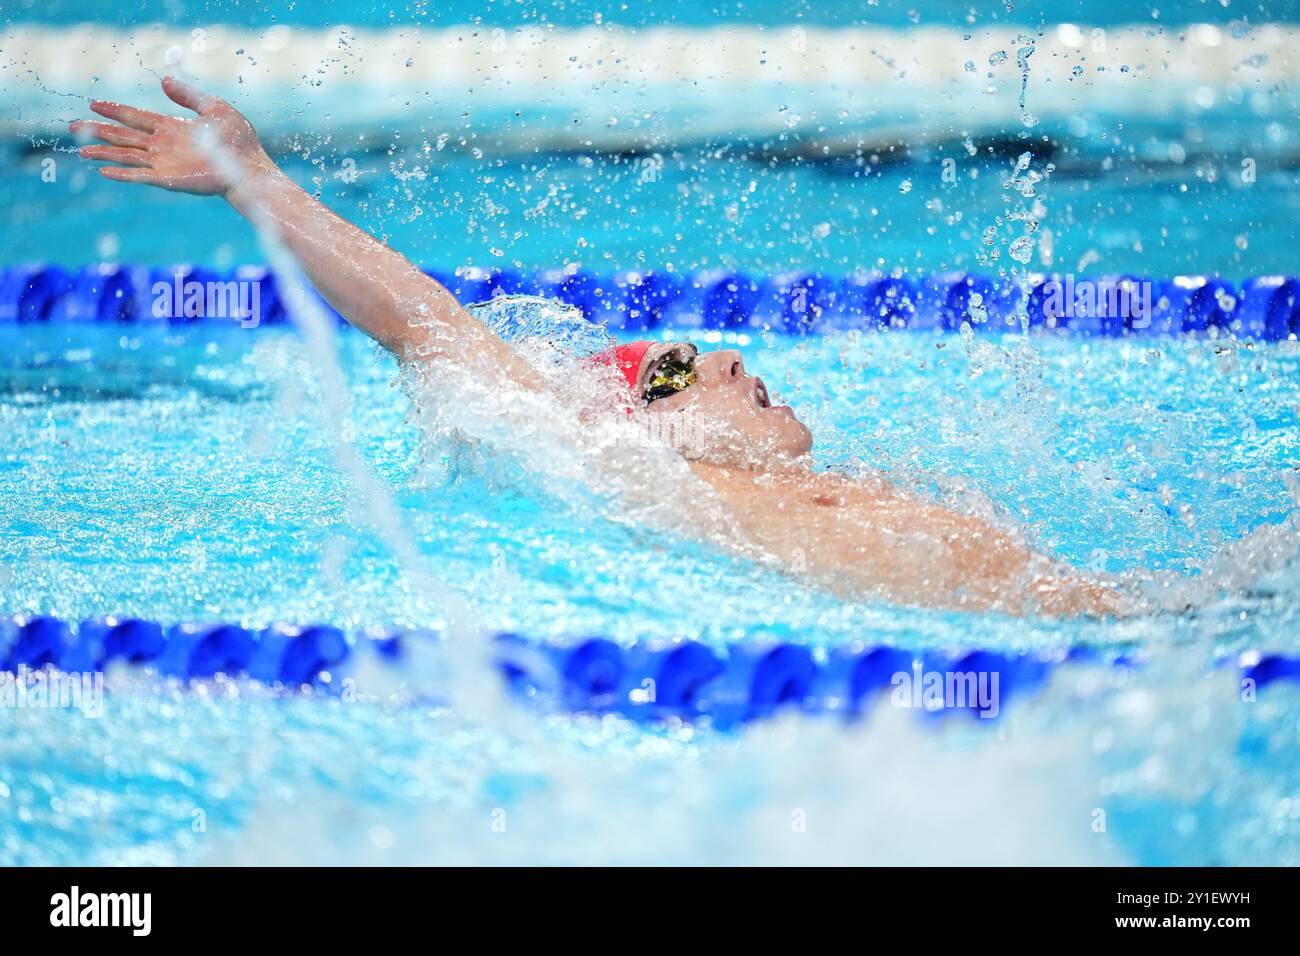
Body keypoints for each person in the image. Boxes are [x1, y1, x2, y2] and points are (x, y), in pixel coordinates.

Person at [71, 76, 1135, 617]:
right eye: (672, 371)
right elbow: (422, 321)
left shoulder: (862, 481)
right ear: (633, 425)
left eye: (698, 353)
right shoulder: (624, 472)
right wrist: (259, 182)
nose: (720, 355)